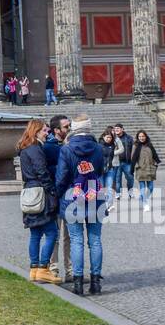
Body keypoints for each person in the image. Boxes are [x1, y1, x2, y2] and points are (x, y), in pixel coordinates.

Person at [55, 116, 106, 295]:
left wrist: (59, 193)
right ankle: (95, 281)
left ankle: (77, 282)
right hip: (94, 194)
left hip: (73, 195)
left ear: (74, 129)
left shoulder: (67, 149)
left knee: (76, 240)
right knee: (95, 240)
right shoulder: (98, 148)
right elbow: (100, 170)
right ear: (89, 128)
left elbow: (62, 176)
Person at [18, 119, 61, 284]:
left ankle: (34, 269)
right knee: (52, 232)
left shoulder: (24, 148)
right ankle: (43, 268)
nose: (47, 133)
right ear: (36, 131)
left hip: (29, 190)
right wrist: (52, 190)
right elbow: (41, 171)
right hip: (40, 191)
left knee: (35, 233)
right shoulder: (35, 148)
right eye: (44, 130)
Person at [45, 115, 74, 284]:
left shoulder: (71, 146)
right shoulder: (49, 148)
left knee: (70, 237)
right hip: (56, 196)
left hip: (70, 197)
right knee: (54, 235)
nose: (69, 129)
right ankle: (54, 269)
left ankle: (70, 271)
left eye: (69, 126)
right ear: (56, 130)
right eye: (66, 127)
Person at [131, 130, 159, 211]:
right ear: (137, 137)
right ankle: (145, 204)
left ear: (145, 137)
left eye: (143, 136)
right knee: (142, 187)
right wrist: (135, 167)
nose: (141, 138)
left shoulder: (149, 145)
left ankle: (143, 197)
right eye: (140, 136)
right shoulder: (135, 146)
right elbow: (132, 158)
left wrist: (156, 163)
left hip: (150, 168)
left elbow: (154, 155)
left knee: (151, 187)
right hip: (140, 169)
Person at [99, 127, 122, 195]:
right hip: (100, 169)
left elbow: (112, 156)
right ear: (103, 137)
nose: (109, 139)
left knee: (109, 187)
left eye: (110, 138)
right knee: (102, 187)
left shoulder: (112, 146)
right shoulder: (98, 146)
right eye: (107, 137)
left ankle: (109, 204)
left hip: (110, 168)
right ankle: (103, 203)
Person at [115, 124, 135, 195]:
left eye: (118, 128)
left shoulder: (129, 138)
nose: (116, 130)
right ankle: (118, 193)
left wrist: (133, 159)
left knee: (130, 177)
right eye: (115, 128)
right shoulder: (113, 138)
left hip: (127, 162)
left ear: (122, 129)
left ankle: (130, 191)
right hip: (116, 162)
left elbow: (133, 149)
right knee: (117, 179)